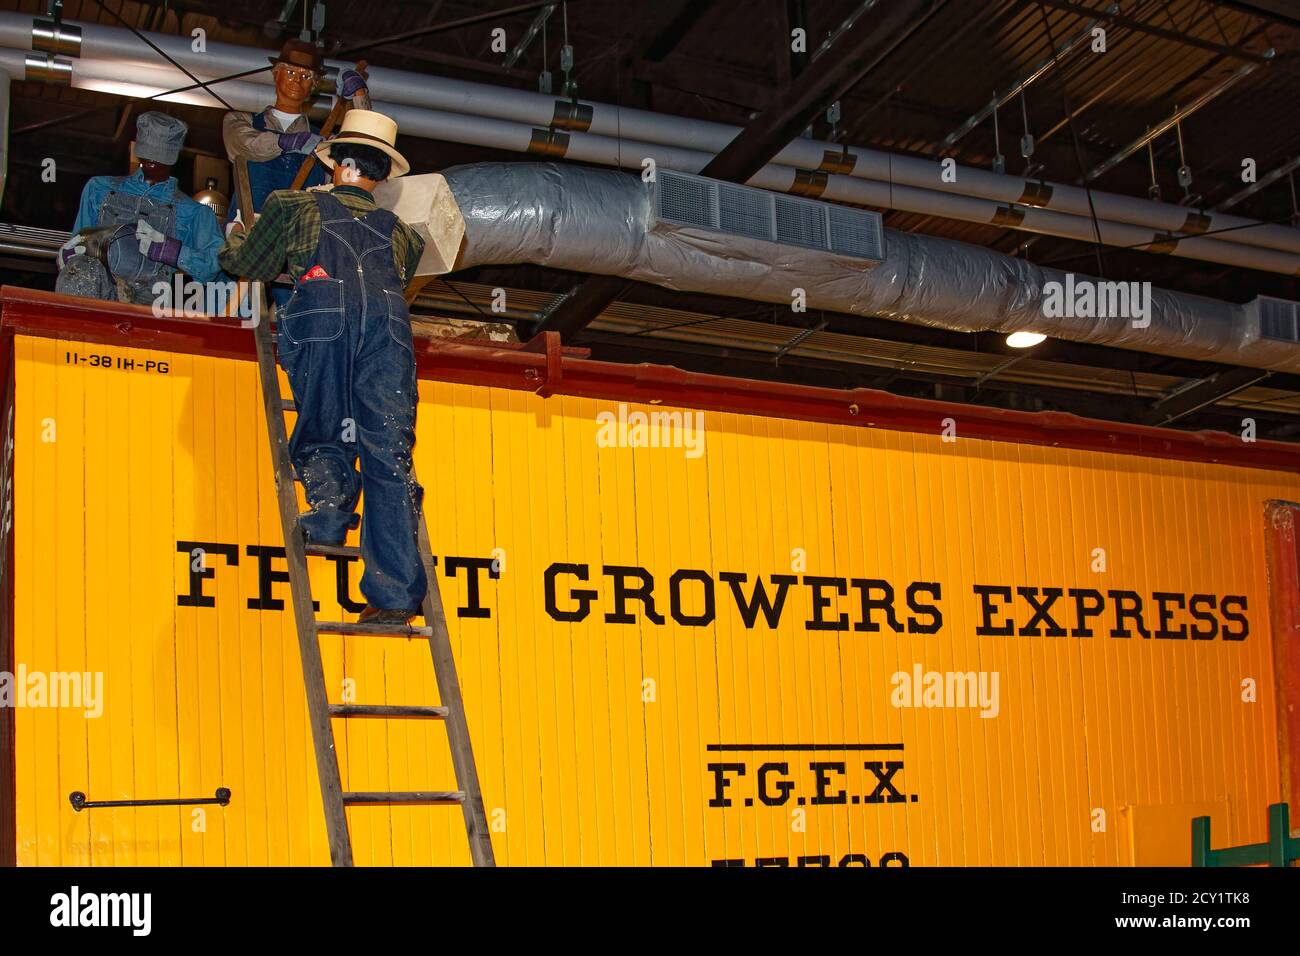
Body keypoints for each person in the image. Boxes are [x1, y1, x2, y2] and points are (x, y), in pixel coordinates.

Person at [219, 111, 427, 626]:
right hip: (390, 335)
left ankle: (331, 512)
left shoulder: (292, 205)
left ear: (336, 163)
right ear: (381, 175)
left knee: (324, 426)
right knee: (389, 457)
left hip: (322, 320)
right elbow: (397, 282)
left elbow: (251, 266)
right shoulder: (404, 235)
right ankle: (397, 595)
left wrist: (235, 238)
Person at [56, 111, 223, 305]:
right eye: (148, 153)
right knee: (80, 270)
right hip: (100, 286)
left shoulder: (193, 213)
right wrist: (73, 253)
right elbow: (80, 241)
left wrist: (170, 251)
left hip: (149, 297)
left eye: (159, 155)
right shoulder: (100, 189)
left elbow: (215, 265)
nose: (152, 160)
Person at [222, 38, 370, 218]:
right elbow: (247, 145)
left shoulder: (324, 141)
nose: (297, 80)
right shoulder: (240, 121)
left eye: (306, 76)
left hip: (302, 235)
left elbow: (363, 155)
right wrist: (287, 142)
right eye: (291, 72)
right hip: (249, 232)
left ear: (313, 85)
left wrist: (359, 96)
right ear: (276, 75)